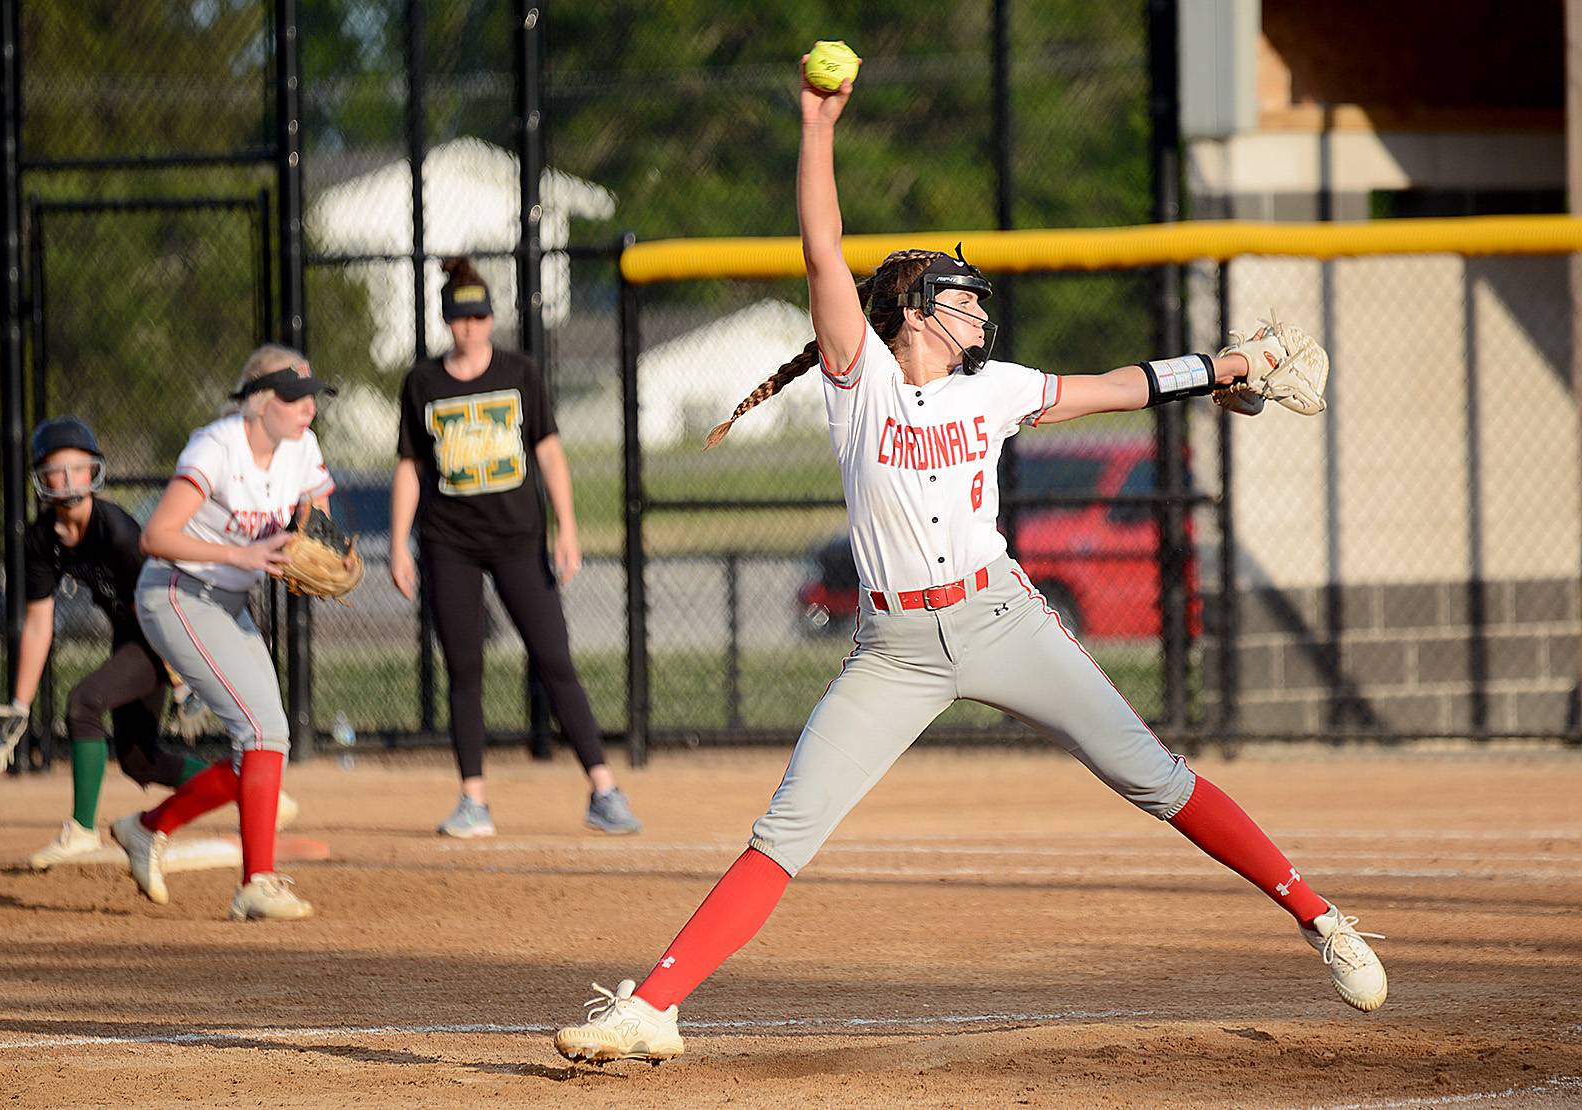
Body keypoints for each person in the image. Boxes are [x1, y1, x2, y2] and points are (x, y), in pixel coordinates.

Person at [552, 58, 1386, 1065]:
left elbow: (1121, 386)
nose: (982, 314)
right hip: (896, 648)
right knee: (786, 830)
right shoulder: (859, 381)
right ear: (913, 310)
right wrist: (816, 128)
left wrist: (1234, 363)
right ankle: (654, 1008)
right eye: (964, 300)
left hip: (1000, 618)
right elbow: (822, 250)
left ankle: (1320, 917)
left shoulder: (996, 390)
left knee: (1153, 778)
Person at [390, 257, 640, 837]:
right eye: (461, 318)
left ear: (491, 318)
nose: (470, 327)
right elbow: (409, 465)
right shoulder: (422, 382)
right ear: (447, 321)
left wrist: (567, 527)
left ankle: (604, 789)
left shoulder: (520, 372)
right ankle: (473, 800)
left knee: (554, 659)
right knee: (464, 668)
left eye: (479, 317)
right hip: (449, 543)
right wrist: (399, 544)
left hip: (519, 540)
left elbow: (548, 451)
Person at [0, 418, 296, 870]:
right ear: (41, 478)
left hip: (163, 630)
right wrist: (21, 703)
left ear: (94, 471)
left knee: (83, 702)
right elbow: (39, 625)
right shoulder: (41, 540)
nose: (69, 479)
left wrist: (182, 679)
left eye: (78, 467)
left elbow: (160, 604)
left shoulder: (114, 528)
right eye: (57, 470)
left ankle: (82, 830)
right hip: (131, 636)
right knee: (140, 761)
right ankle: (245, 787)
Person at [109, 345, 340, 921]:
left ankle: (147, 828)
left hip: (227, 601)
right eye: (293, 396)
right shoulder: (217, 447)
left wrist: (314, 540)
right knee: (262, 729)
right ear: (259, 402)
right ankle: (256, 884)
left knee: (266, 741)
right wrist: (243, 553)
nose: (307, 407)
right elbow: (155, 536)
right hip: (175, 591)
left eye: (311, 396)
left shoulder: (302, 447)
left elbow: (317, 506)